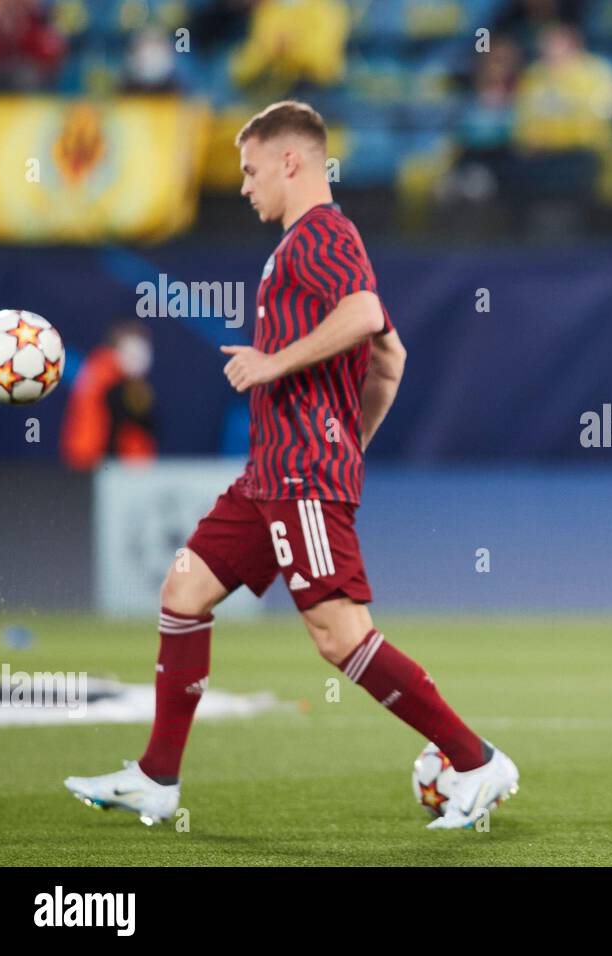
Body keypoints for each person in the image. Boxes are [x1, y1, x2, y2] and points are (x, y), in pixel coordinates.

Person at [64, 100, 518, 831]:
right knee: (183, 593)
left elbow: (368, 317)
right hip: (271, 475)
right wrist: (352, 437)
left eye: (249, 171)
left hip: (301, 474)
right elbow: (390, 360)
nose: (243, 187)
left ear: (291, 161)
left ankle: (475, 759)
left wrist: (280, 373)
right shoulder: (303, 245)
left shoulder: (322, 234)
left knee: (339, 636)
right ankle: (157, 778)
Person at [60, 320, 158, 471]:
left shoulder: (103, 373)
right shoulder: (108, 380)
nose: (140, 359)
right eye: (133, 353)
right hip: (96, 464)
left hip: (97, 461)